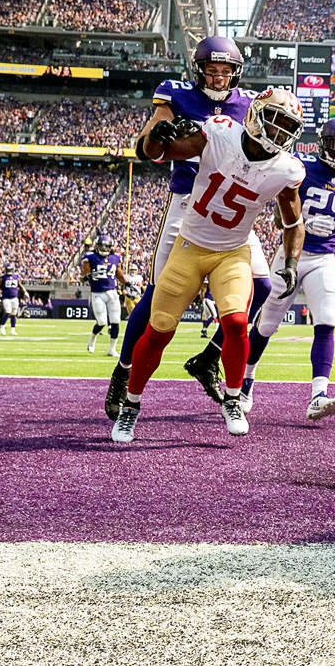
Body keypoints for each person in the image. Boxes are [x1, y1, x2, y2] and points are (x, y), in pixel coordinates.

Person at [110, 87, 307, 444]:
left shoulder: (287, 168)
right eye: (275, 122)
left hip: (232, 252)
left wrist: (292, 261)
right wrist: (156, 138)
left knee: (236, 322)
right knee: (159, 329)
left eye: (287, 127)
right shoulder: (220, 132)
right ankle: (131, 406)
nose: (279, 133)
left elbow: (294, 222)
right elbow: (158, 154)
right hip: (189, 246)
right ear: (255, 115)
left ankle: (232, 399)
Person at [105, 37, 270, 421]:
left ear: (236, 73)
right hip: (188, 204)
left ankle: (209, 357)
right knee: (156, 294)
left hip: (230, 208)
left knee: (263, 286)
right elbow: (145, 149)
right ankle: (123, 371)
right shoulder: (176, 96)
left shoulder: (249, 103)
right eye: (211, 70)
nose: (218, 77)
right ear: (199, 71)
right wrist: (156, 137)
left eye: (225, 71)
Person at [243, 118, 335, 421]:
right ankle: (245, 380)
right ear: (322, 143)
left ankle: (318, 395)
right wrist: (302, 222)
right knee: (267, 324)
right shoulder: (302, 168)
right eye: (334, 145)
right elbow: (279, 216)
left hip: (324, 258)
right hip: (291, 255)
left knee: (327, 320)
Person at [81, 234, 127, 356]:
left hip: (112, 292)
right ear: (97, 246)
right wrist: (86, 277)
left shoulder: (115, 258)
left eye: (106, 246)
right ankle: (92, 338)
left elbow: (119, 274)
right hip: (97, 292)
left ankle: (112, 349)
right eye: (102, 246)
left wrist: (126, 283)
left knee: (116, 320)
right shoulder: (90, 257)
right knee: (101, 322)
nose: (104, 248)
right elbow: (82, 278)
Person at [0, 263, 29, 336]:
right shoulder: (2, 278)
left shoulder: (16, 277)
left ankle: (13, 330)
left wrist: (25, 292)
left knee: (14, 314)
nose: (9, 271)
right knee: (7, 312)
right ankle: (2, 327)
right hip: (6, 297)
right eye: (8, 269)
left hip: (14, 298)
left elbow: (20, 285)